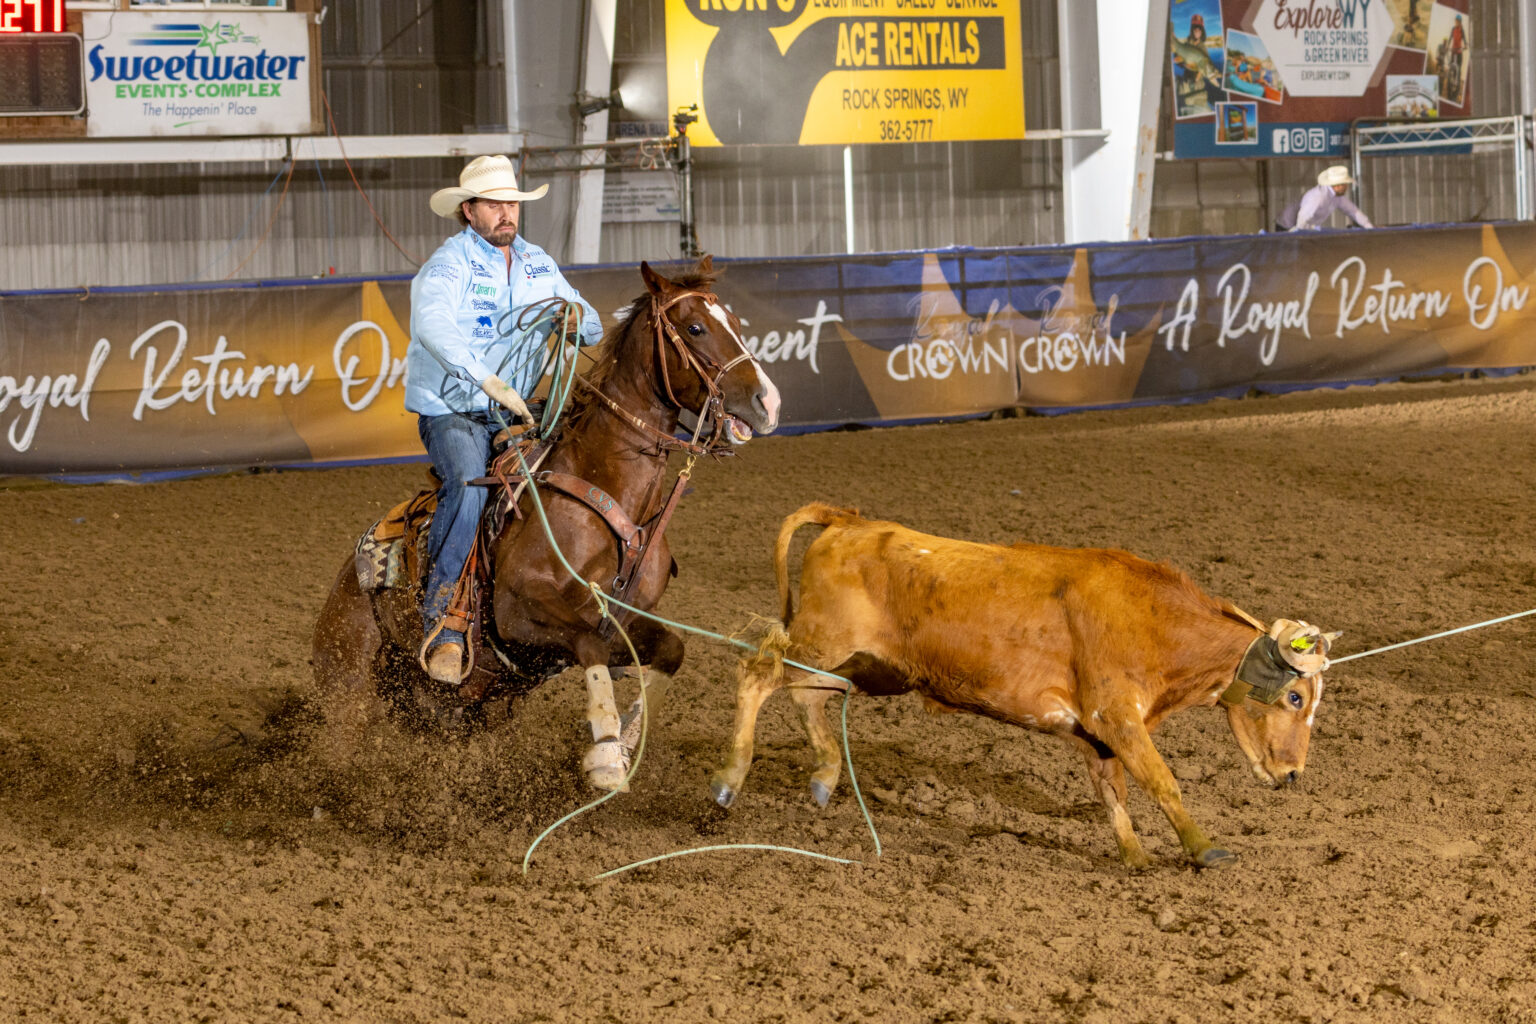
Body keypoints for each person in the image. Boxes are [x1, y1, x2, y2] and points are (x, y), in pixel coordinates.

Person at [407, 155, 604, 685]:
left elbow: (593, 328)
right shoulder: (448, 265)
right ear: (468, 211)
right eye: (494, 204)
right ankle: (443, 618)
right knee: (469, 487)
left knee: (585, 471)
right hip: (454, 410)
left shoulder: (539, 263)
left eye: (511, 202)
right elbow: (433, 325)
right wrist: (485, 379)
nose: (506, 212)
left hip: (519, 410)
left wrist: (574, 315)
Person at [1275, 165, 1375, 232]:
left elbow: (1353, 212)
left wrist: (1370, 228)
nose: (1347, 187)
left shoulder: (1337, 197)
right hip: (1287, 227)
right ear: (1338, 186)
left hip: (1301, 227)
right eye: (1345, 184)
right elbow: (1302, 219)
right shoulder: (1317, 197)